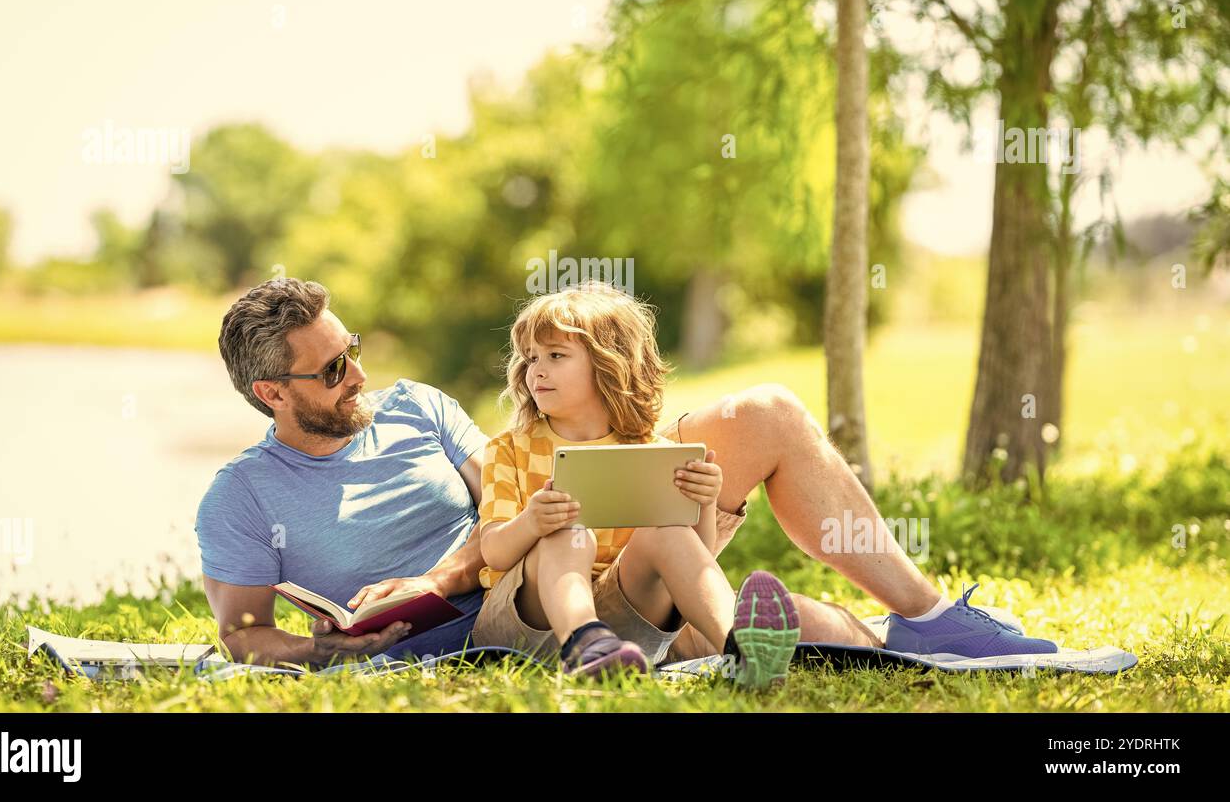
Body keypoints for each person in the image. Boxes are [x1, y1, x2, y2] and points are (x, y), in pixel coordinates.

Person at [197, 277, 1054, 671]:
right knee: (767, 611)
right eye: (332, 372)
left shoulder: (415, 406)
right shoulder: (242, 496)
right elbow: (241, 637)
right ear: (272, 391)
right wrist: (336, 644)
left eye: (354, 353)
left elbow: (508, 499)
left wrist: (439, 570)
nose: (357, 378)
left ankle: (928, 618)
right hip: (518, 603)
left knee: (768, 416)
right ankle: (736, 643)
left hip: (581, 562)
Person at [470, 282, 800, 684]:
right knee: (569, 535)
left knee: (670, 532)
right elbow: (495, 552)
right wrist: (532, 523)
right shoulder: (509, 448)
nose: (536, 369)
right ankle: (585, 643)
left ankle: (740, 653)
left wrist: (704, 503)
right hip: (522, 626)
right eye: (531, 357)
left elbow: (696, 555)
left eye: (556, 356)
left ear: (609, 364)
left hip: (624, 629)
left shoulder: (651, 451)